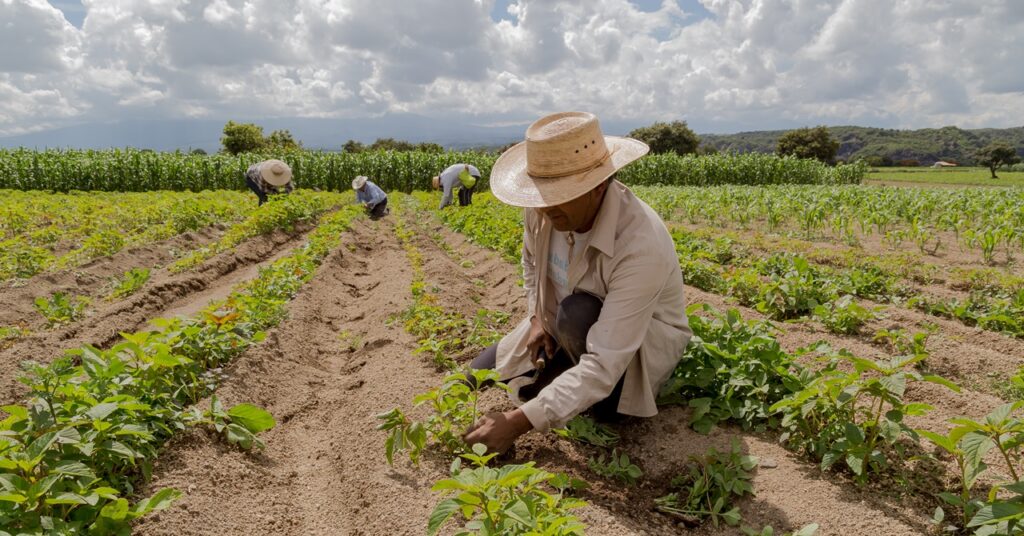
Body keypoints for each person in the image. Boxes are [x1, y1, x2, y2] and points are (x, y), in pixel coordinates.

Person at [463, 111, 692, 454]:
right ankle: (560, 369)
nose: (544, 207)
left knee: (577, 313)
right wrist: (537, 317)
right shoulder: (541, 209)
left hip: (627, 352)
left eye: (559, 194)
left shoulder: (641, 245)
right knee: (473, 375)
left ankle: (599, 405)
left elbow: (603, 364)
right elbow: (530, 262)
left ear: (597, 185)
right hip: (560, 327)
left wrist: (516, 423)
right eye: (541, 195)